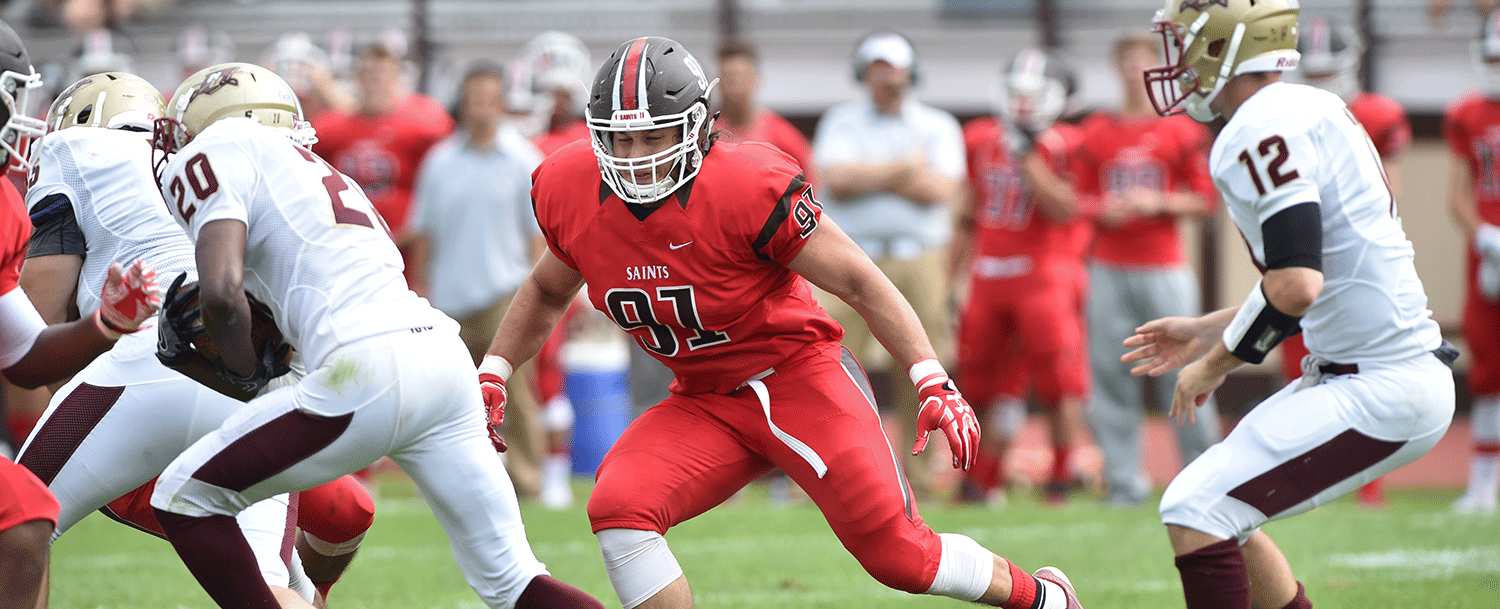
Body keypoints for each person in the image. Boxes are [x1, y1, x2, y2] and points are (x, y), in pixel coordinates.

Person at [479, 35, 1082, 609]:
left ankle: (1044, 598)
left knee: (900, 557)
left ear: (695, 127)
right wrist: (496, 370)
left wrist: (930, 377)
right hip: (704, 399)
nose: (635, 159)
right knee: (618, 505)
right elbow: (546, 289)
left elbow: (859, 280)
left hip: (799, 378)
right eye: (619, 140)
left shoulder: (745, 184)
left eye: (653, 137)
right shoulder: (568, 186)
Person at [146, 62, 603, 609]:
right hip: (438, 351)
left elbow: (220, 293)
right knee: (514, 581)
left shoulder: (217, 148)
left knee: (183, 497)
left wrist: (246, 375)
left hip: (365, 368)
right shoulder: (319, 174)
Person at [1131, 2, 1456, 607]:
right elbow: (1319, 278)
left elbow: (1298, 284)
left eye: (1187, 43)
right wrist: (1213, 328)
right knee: (1219, 510)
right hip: (1373, 370)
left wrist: (1217, 363)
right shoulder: (1310, 105)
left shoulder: (1258, 126)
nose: (1178, 62)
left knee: (1195, 506)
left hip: (1381, 386)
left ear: (1225, 47)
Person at [15, 71, 374, 608]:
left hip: (157, 353)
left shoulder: (76, 148)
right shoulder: (235, 160)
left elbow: (38, 329)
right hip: (263, 372)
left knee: (18, 518)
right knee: (276, 582)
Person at [0, 20, 161, 609]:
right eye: (8, 94)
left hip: (155, 376)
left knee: (26, 510)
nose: (18, 114)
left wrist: (106, 325)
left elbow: (24, 355)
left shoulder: (5, 204)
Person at [812, 31, 965, 497]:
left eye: (894, 66)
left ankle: (920, 476)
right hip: (851, 256)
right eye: (878, 66)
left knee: (920, 363)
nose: (887, 77)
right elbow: (836, 179)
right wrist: (904, 169)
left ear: (910, 71)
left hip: (919, 257)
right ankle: (834, 471)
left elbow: (940, 191)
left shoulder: (938, 124)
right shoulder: (841, 120)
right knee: (828, 358)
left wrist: (871, 175)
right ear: (864, 71)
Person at [1074, 32, 1221, 507]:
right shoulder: (1096, 131)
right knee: (1111, 374)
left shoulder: (1179, 129)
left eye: (1141, 62)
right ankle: (1123, 483)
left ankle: (1206, 478)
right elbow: (1078, 199)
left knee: (1185, 368)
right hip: (1110, 265)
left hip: (1162, 266)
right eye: (1125, 62)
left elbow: (1206, 199)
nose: (1132, 71)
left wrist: (1157, 201)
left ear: (1153, 67)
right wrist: (1104, 209)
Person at [407, 61, 558, 505]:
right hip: (449, 298)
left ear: (501, 104)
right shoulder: (439, 162)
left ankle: (531, 484)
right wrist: (419, 294)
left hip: (503, 295)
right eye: (472, 99)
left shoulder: (522, 159)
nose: (479, 108)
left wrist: (537, 299)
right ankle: (443, 487)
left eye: (487, 99)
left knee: (515, 393)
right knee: (445, 400)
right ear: (463, 105)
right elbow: (424, 233)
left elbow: (538, 237)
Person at [1283, 15, 1413, 509]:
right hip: (1300, 253)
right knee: (1298, 365)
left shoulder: (1375, 113)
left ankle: (1369, 482)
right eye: (1309, 73)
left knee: (1359, 367)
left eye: (1325, 72)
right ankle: (1306, 474)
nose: (1318, 82)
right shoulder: (1285, 117)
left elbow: (1389, 190)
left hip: (1352, 254)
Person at [953, 48, 1090, 506]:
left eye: (1033, 95)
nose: (1022, 104)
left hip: (1043, 274)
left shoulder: (1066, 142)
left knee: (1057, 382)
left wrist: (1029, 154)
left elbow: (1063, 208)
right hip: (988, 274)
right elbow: (968, 211)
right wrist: (952, 276)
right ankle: (980, 479)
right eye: (1015, 93)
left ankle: (1063, 474)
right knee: (980, 384)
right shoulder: (978, 138)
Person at [311, 41, 453, 285]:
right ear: (357, 79)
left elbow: (440, 191)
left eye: (383, 75)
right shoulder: (330, 128)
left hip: (405, 253)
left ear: (398, 79)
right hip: (349, 250)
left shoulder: (421, 126)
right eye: (369, 74)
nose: (376, 82)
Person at [1443, 9, 1500, 516]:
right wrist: (1484, 232)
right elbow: (1457, 193)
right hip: (1488, 256)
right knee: (1487, 368)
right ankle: (1482, 484)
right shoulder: (1468, 113)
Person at [714, 39, 818, 186]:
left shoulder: (782, 135)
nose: (734, 85)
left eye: (740, 76)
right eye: (728, 77)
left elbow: (810, 182)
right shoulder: (707, 134)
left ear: (755, 80)